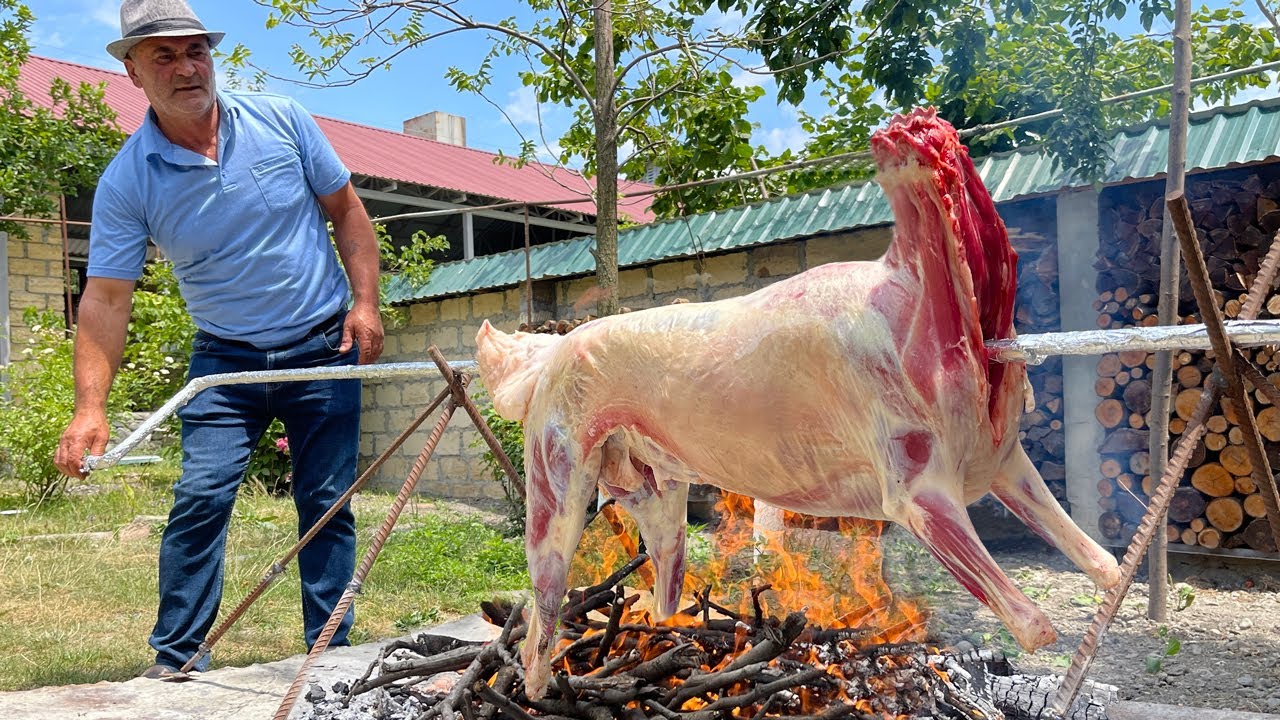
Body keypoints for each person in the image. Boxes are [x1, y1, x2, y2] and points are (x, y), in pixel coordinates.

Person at [53, 0, 384, 679]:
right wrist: (90, 407)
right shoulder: (128, 180)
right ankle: (177, 660)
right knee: (201, 497)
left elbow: (347, 212)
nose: (185, 68)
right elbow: (107, 299)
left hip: (322, 347)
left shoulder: (282, 120)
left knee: (327, 504)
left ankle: (329, 656)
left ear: (212, 55)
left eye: (195, 50)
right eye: (163, 57)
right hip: (224, 360)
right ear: (133, 74)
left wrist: (366, 302)